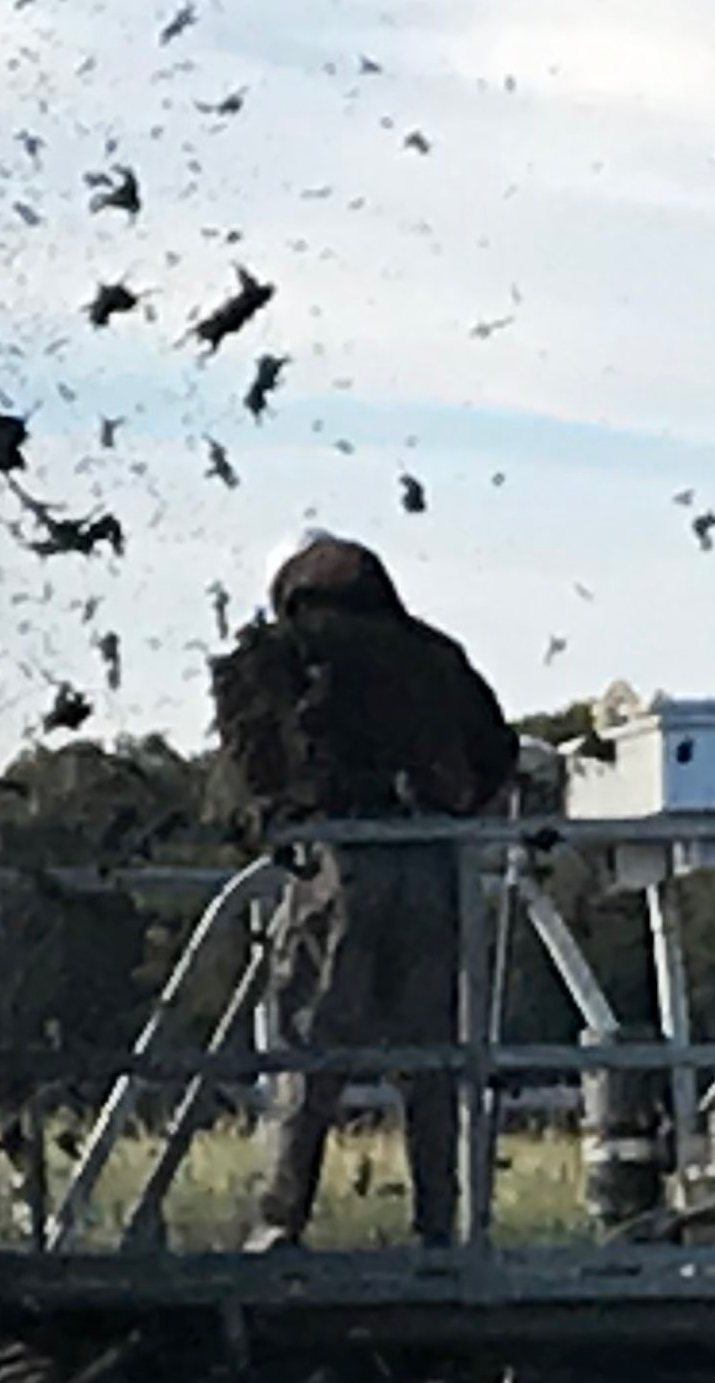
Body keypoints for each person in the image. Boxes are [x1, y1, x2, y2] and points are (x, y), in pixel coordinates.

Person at [209, 531, 521, 1249]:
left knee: (309, 1045)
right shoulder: (437, 655)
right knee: (433, 1057)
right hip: (434, 867)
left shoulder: (281, 651)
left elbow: (252, 767)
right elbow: (495, 757)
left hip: (339, 863)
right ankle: (441, 1230)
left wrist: (274, 822)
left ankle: (281, 1222)